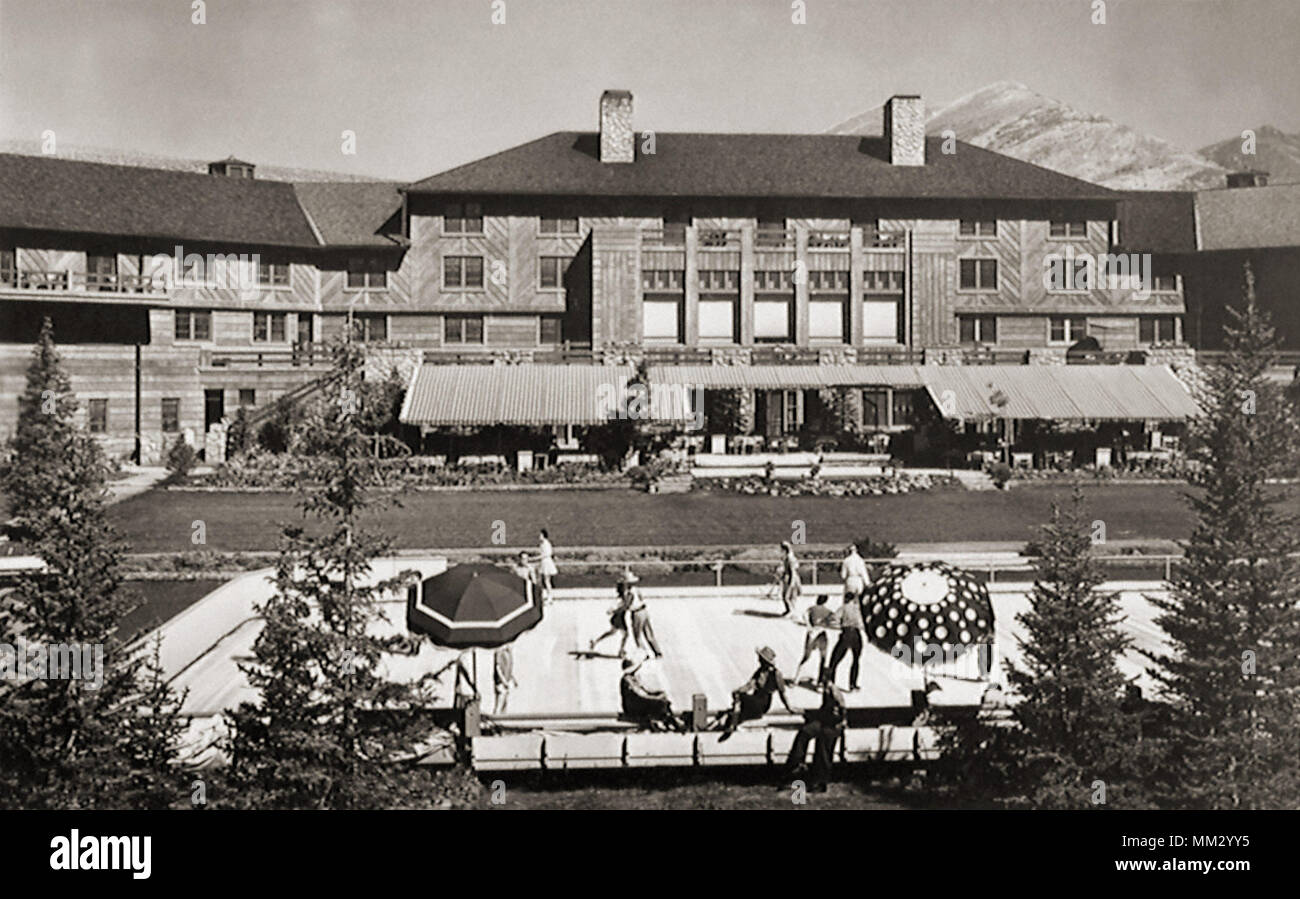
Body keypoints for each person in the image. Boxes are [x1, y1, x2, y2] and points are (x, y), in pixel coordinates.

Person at [717, 646, 799, 741]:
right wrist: (738, 690)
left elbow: (782, 693)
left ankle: (732, 724)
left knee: (739, 704)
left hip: (763, 703)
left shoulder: (776, 674)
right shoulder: (760, 671)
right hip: (756, 698)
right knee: (739, 698)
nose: (758, 660)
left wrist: (789, 707)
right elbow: (750, 685)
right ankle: (732, 721)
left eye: (760, 658)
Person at [784, 681, 847, 792]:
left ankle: (820, 782)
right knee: (804, 732)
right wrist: (805, 712)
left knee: (823, 749)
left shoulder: (835, 693)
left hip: (832, 725)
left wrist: (841, 721)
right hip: (824, 721)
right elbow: (823, 711)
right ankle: (797, 765)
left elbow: (841, 711)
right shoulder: (828, 692)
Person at [620, 657, 685, 732]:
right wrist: (656, 698)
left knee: (661, 698)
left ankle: (670, 721)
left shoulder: (632, 678)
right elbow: (640, 695)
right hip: (633, 706)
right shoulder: (628, 680)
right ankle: (672, 722)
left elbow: (645, 691)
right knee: (661, 703)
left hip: (637, 702)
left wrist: (657, 694)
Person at [791, 594, 834, 685]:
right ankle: (819, 681)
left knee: (806, 657)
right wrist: (825, 624)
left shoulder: (811, 609)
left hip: (811, 634)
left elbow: (804, 616)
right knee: (823, 659)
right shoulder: (827, 611)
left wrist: (809, 626)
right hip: (821, 634)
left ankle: (796, 679)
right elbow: (834, 620)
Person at [826, 592, 865, 691]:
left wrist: (839, 625)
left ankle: (831, 683)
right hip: (857, 635)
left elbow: (833, 618)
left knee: (834, 660)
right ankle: (853, 685)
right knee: (856, 660)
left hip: (846, 633)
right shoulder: (858, 609)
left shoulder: (843, 608)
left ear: (846, 599)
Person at [623, 568, 663, 658]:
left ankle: (644, 653)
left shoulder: (629, 592)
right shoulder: (637, 589)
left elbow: (628, 604)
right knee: (649, 633)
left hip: (637, 613)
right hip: (644, 611)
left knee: (637, 635)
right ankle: (657, 651)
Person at [589, 580, 632, 656]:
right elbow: (615, 608)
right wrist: (614, 610)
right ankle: (621, 650)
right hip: (619, 619)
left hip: (618, 618)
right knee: (625, 634)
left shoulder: (622, 598)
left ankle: (596, 641)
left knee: (612, 632)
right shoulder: (621, 599)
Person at [778, 541, 801, 617]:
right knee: (784, 596)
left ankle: (791, 611)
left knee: (788, 597)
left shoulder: (790, 559)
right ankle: (788, 610)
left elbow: (793, 571)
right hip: (787, 579)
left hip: (791, 579)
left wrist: (792, 582)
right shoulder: (785, 558)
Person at [493, 644, 517, 715]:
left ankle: (502, 720)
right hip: (501, 682)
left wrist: (512, 678)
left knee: (505, 703)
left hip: (506, 681)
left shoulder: (509, 654)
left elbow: (509, 668)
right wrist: (503, 681)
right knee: (500, 703)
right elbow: (498, 668)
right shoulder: (499, 652)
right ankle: (496, 719)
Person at [537, 529, 558, 603]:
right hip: (544, 562)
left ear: (543, 536)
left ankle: (550, 597)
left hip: (547, 563)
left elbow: (547, 554)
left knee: (547, 581)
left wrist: (535, 558)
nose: (539, 537)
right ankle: (547, 596)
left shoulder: (546, 544)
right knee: (544, 581)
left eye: (540, 535)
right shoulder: (542, 544)